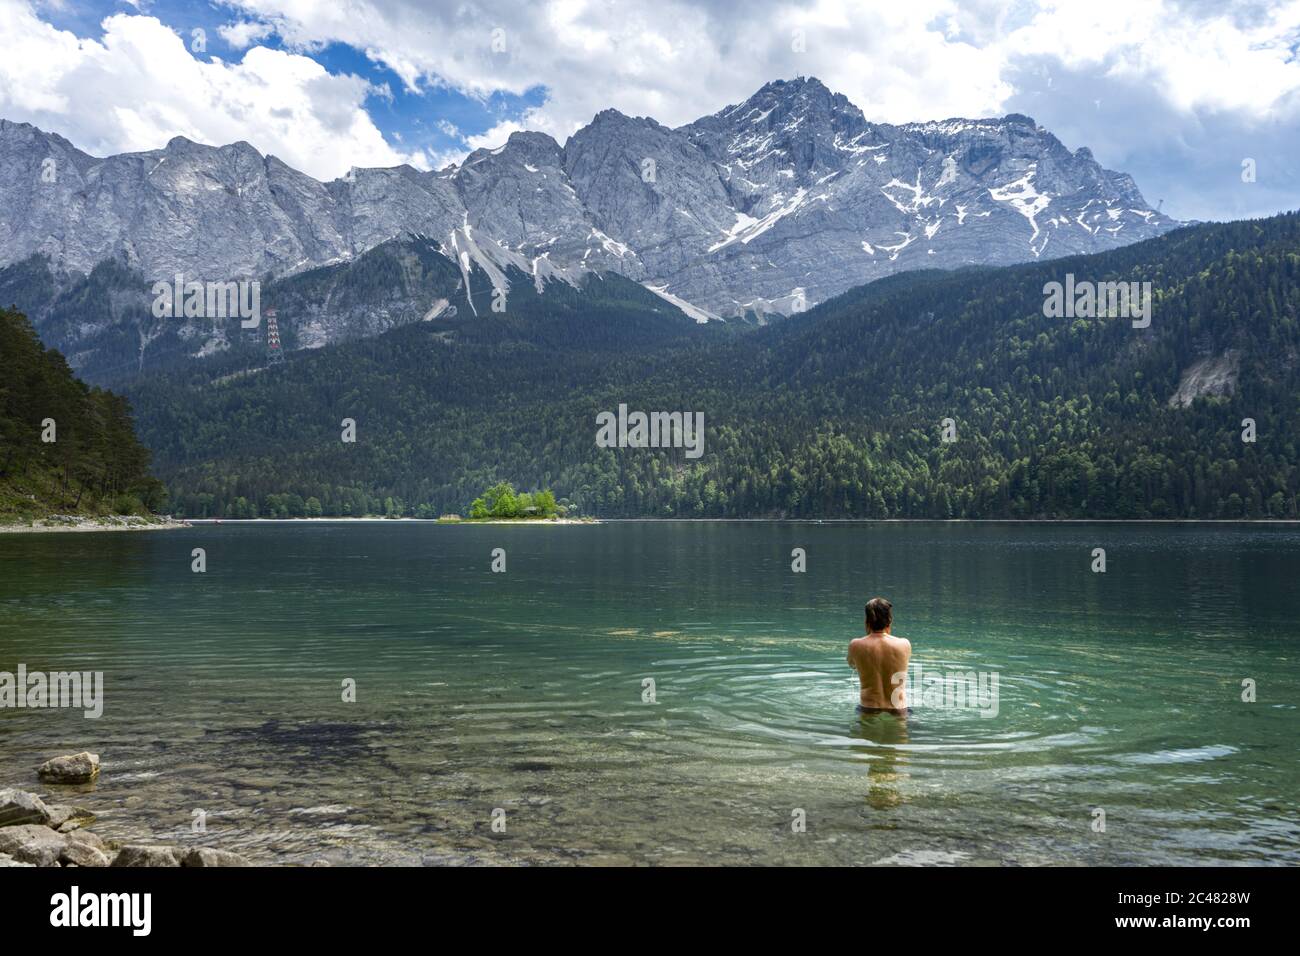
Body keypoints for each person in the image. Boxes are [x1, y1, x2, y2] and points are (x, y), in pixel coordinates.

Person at [847, 597, 912, 715]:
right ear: (889, 620)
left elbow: (852, 665)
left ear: (867, 620)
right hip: (898, 709)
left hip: (868, 708)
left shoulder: (855, 645)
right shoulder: (904, 644)